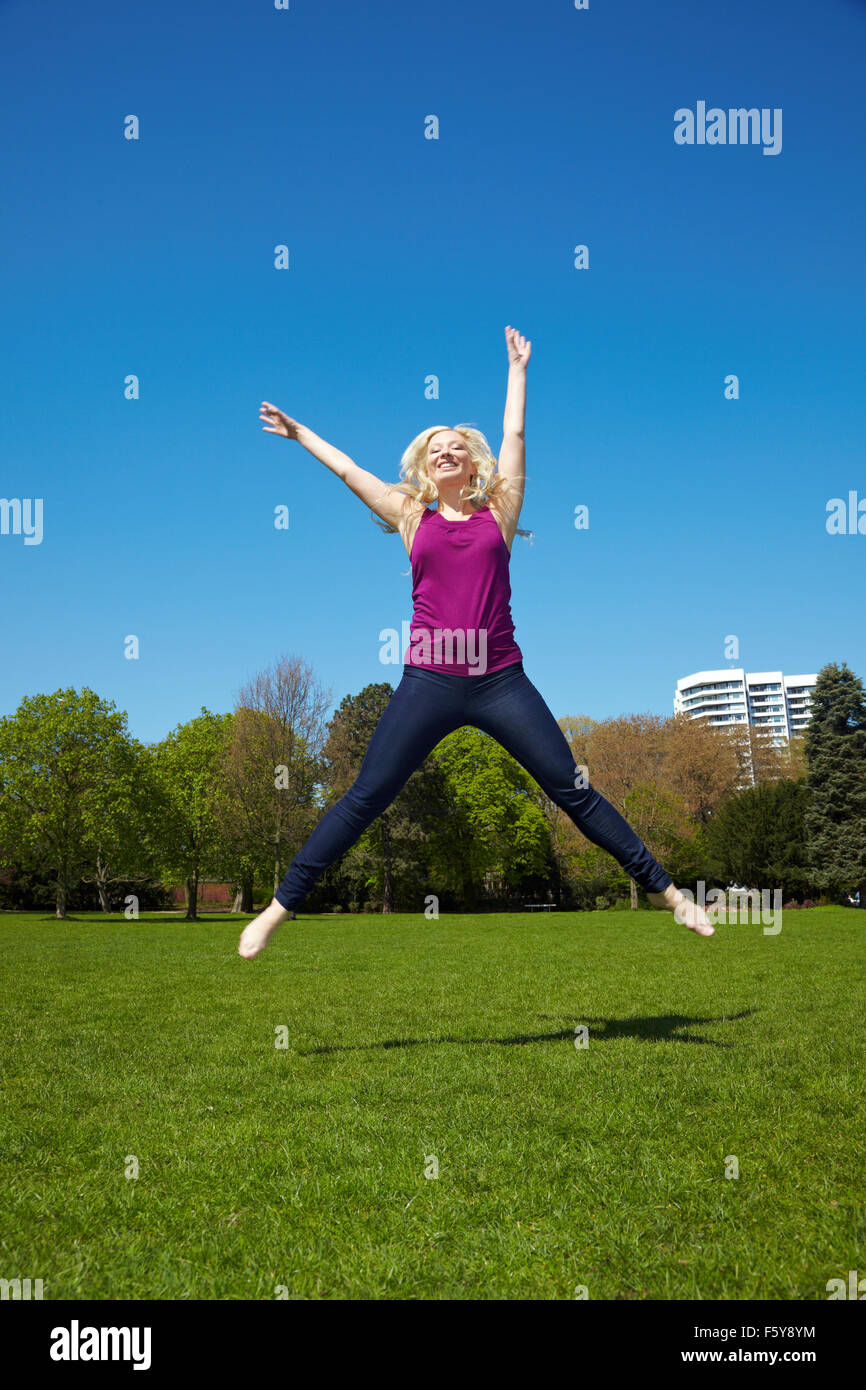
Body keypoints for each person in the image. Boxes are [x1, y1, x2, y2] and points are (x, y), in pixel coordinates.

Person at [239, 326, 714, 958]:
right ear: (423, 465)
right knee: (366, 795)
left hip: (500, 681)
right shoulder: (412, 515)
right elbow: (350, 470)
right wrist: (300, 436)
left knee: (571, 788)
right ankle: (279, 909)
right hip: (430, 680)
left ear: (471, 461)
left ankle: (669, 895)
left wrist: (517, 371)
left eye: (456, 446)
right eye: (435, 448)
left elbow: (514, 437)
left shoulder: (501, 512)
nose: (445, 452)